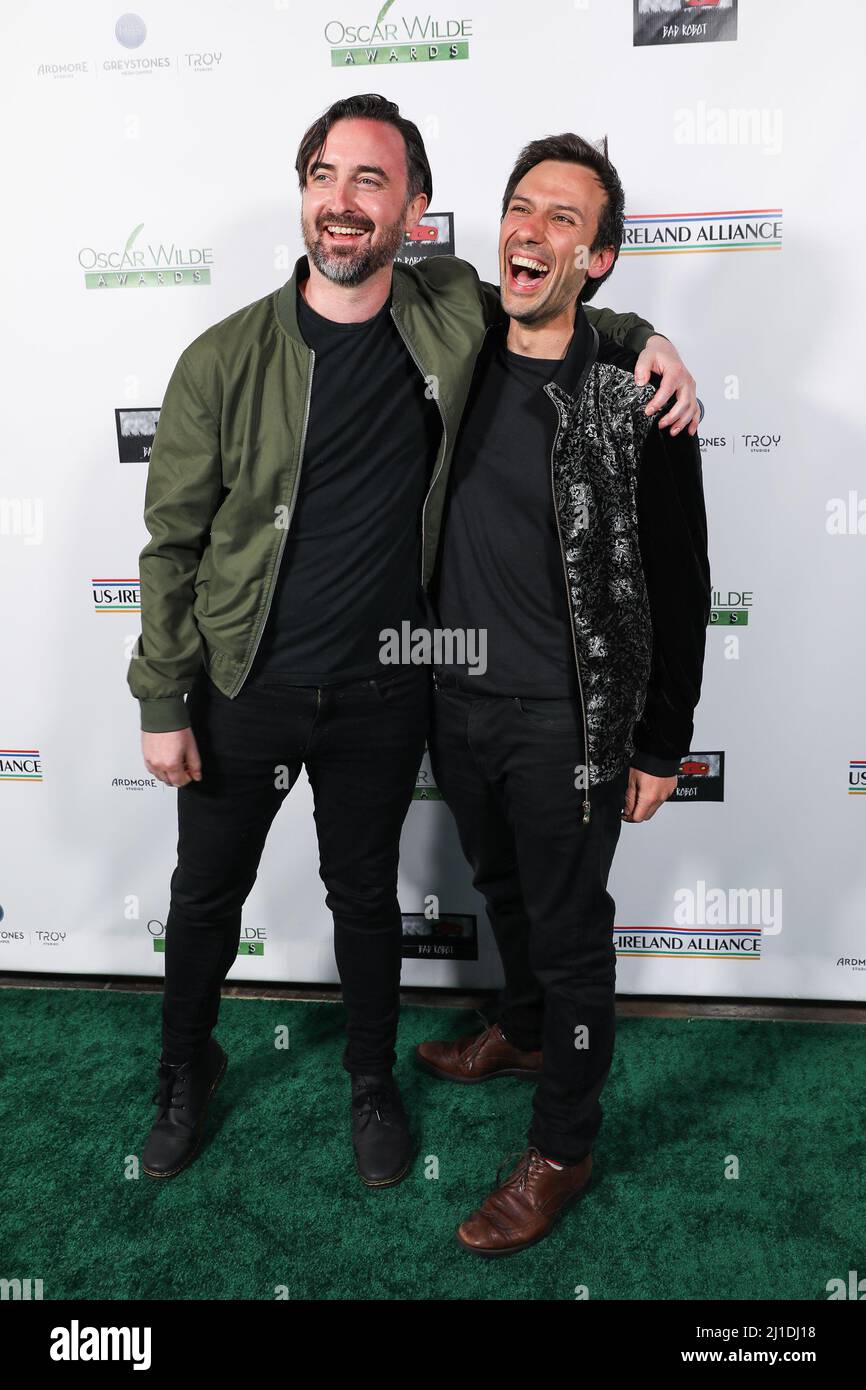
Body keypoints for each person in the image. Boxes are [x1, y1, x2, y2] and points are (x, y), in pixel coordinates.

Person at [128, 95, 699, 1189]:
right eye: (324, 176)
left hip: (402, 694)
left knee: (371, 902)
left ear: (414, 211)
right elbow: (171, 544)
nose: (342, 202)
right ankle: (183, 1066)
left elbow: (569, 313)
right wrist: (163, 696)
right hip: (256, 683)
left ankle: (382, 1085)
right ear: (303, 195)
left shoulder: (460, 319)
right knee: (205, 897)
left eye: (370, 180)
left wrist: (649, 338)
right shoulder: (225, 358)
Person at [416, 133, 710, 1253]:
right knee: (498, 886)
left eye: (563, 220)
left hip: (571, 722)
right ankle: (526, 1029)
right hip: (454, 696)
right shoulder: (452, 352)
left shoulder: (635, 397)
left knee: (571, 931)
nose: (529, 232)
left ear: (599, 257)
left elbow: (682, 579)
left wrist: (661, 743)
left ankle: (562, 1147)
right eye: (519, 208)